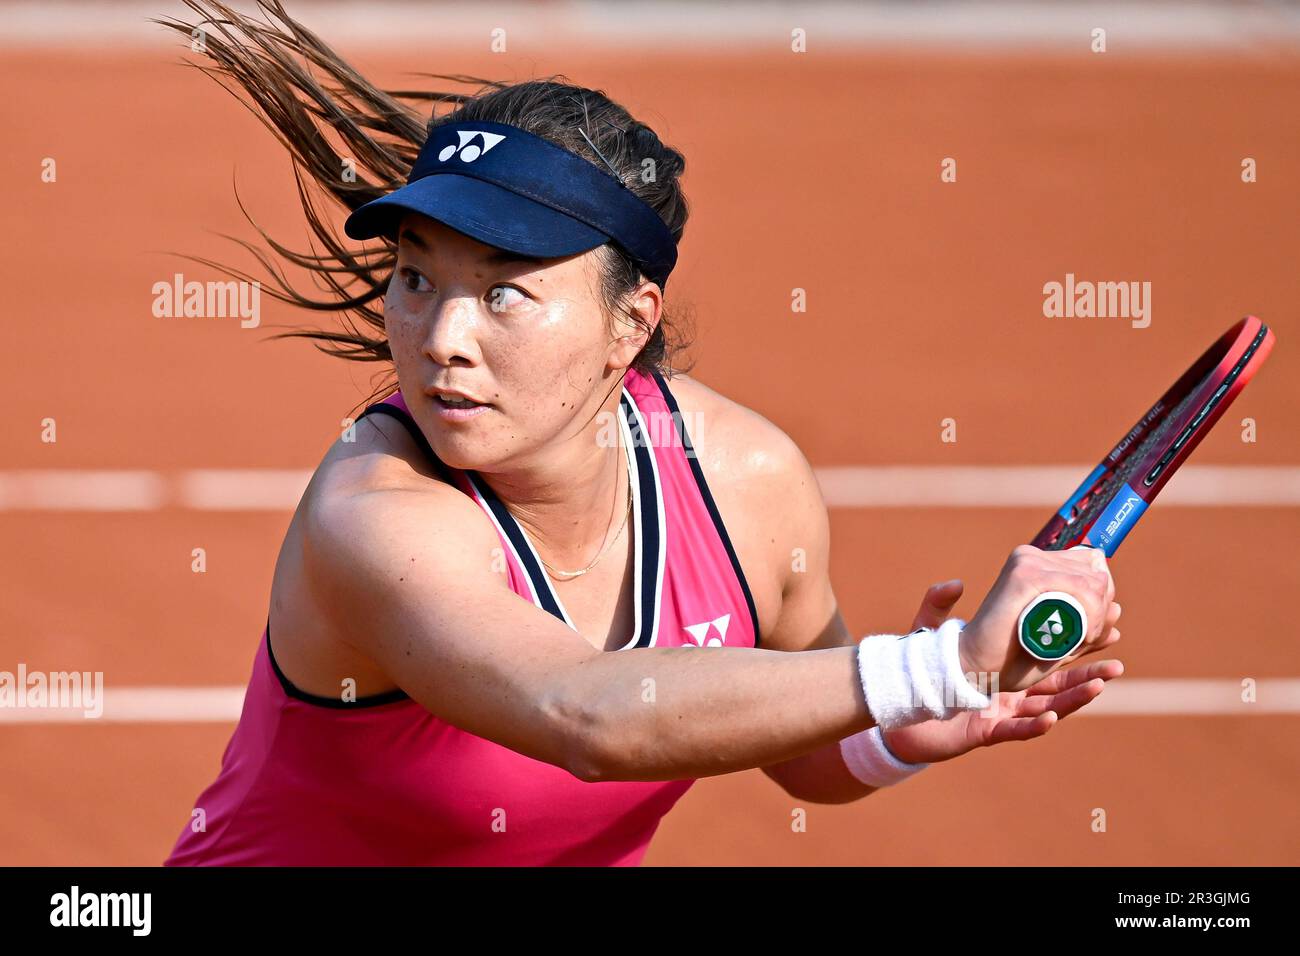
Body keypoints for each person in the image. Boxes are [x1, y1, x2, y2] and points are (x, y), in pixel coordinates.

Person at [162, 0, 1123, 866]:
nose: (442, 341)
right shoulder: (373, 517)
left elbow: (810, 754)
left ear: (632, 319)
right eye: (416, 279)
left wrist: (910, 725)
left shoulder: (748, 484)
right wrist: (940, 665)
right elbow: (587, 716)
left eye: (503, 292)